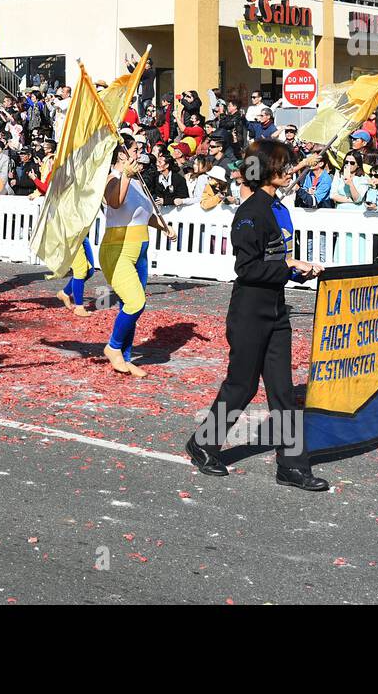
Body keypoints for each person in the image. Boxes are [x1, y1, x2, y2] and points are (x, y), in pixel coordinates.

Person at [187, 139, 329, 491]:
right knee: (242, 385)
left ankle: (292, 466)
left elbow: (276, 261)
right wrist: (288, 266)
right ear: (267, 170)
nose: (287, 170)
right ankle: (203, 444)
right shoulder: (250, 212)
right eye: (282, 165)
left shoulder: (275, 206)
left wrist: (299, 270)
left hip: (276, 309)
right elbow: (248, 268)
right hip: (250, 310)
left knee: (283, 391)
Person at [98, 144, 171, 378]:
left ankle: (125, 358)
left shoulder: (137, 182)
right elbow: (115, 202)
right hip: (117, 250)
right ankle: (113, 347)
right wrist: (126, 176)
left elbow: (145, 216)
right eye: (135, 149)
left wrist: (164, 228)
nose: (140, 152)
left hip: (140, 250)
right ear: (121, 154)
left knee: (129, 306)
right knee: (135, 302)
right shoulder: (111, 178)